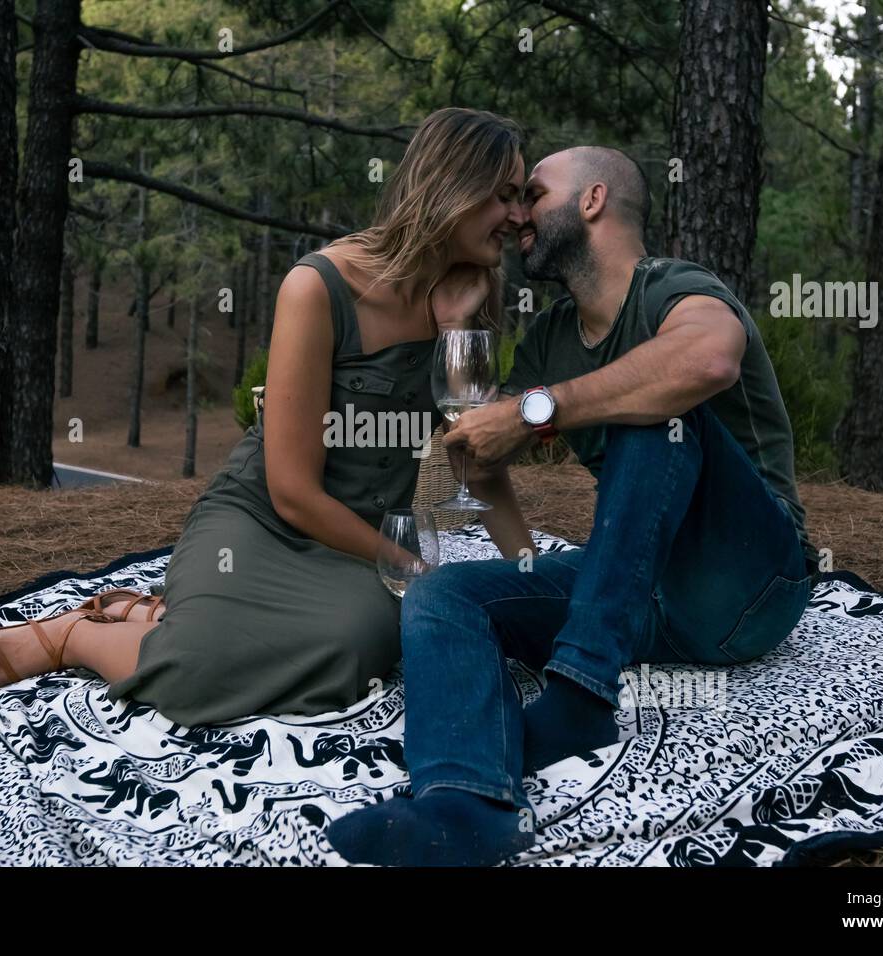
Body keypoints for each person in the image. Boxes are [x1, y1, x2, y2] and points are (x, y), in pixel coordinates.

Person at [0, 108, 532, 726]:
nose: (519, 217)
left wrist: (536, 582)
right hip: (263, 517)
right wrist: (414, 569)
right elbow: (291, 493)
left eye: (523, 198)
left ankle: (151, 614)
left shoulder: (471, 293)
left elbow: (480, 463)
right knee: (197, 675)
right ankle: (75, 635)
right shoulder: (319, 286)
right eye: (504, 196)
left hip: (356, 544)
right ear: (453, 189)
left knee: (353, 649)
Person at [327, 146, 818, 866]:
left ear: (591, 201)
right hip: (639, 592)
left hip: (750, 583)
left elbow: (707, 361)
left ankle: (581, 692)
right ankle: (465, 805)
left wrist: (534, 409)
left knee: (659, 409)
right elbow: (485, 445)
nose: (516, 213)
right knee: (440, 595)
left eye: (532, 193)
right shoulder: (555, 336)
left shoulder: (674, 289)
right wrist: (463, 332)